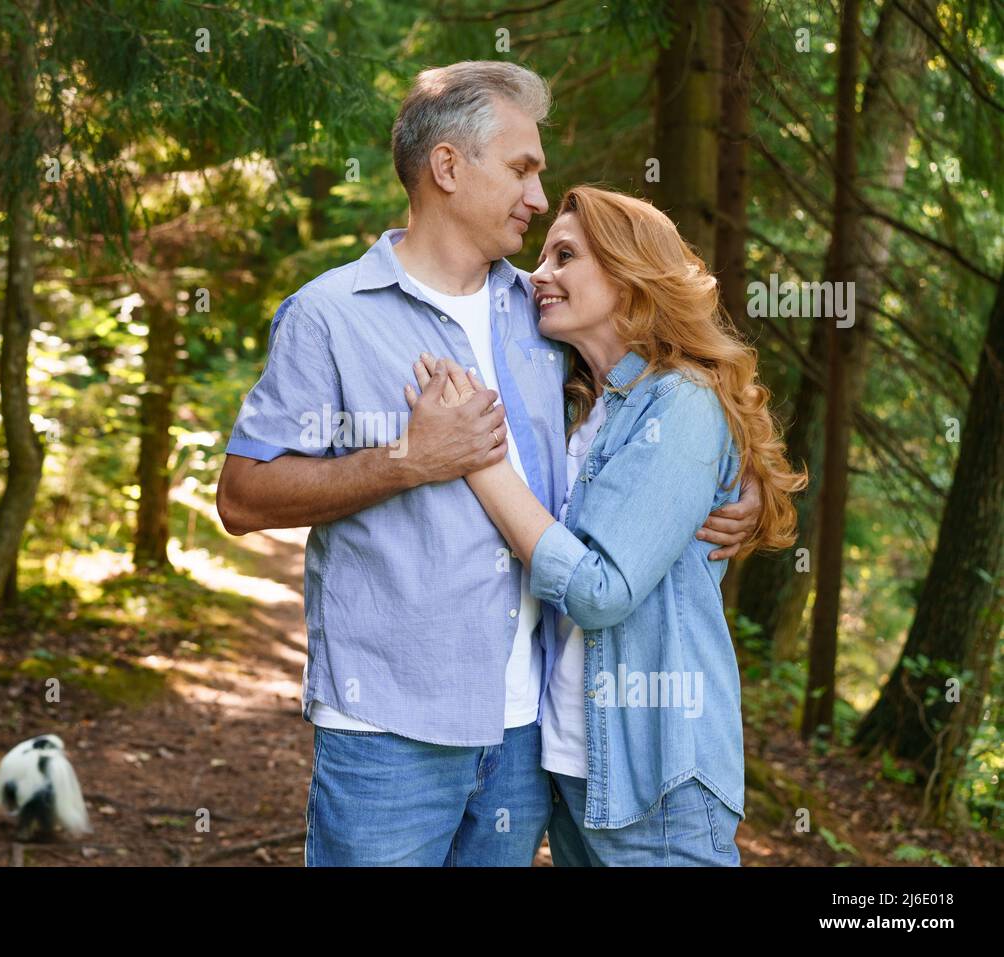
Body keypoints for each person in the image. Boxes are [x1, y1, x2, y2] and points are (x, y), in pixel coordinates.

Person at [216, 62, 762, 866]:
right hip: (389, 731)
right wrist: (409, 458)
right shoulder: (328, 317)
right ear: (447, 167)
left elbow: (672, 387)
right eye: (522, 169)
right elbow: (242, 496)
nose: (538, 197)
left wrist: (739, 479)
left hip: (527, 737)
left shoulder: (542, 315)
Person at [405, 184, 806, 865]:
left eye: (566, 256)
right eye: (542, 256)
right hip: (573, 772)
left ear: (628, 277)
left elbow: (598, 592)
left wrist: (477, 459)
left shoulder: (680, 402)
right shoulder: (587, 409)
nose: (540, 275)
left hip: (657, 779)